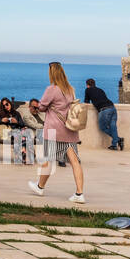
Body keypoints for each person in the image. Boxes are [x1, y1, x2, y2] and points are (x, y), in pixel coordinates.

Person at [28, 61, 86, 204]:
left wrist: (39, 106)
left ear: (51, 74)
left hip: (54, 130)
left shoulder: (52, 89)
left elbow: (42, 107)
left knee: (48, 160)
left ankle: (40, 187)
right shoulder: (70, 89)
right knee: (75, 161)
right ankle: (79, 193)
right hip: (69, 130)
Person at [84, 77, 123, 150]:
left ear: (87, 85)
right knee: (113, 127)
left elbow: (86, 102)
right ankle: (114, 145)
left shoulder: (88, 90)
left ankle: (118, 139)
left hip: (104, 110)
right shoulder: (100, 90)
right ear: (94, 84)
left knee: (103, 127)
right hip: (112, 107)